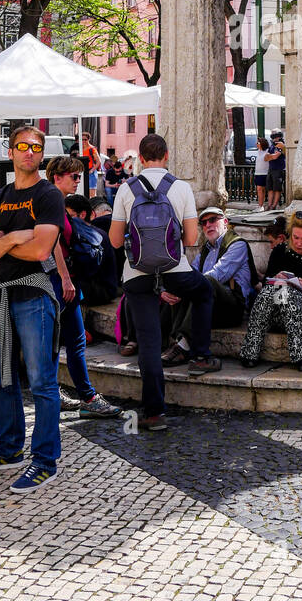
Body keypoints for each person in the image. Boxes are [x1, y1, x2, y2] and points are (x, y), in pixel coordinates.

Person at [0, 124, 65, 493]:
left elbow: (41, 251)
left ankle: (44, 460)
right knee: (0, 379)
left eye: (36, 147)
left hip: (34, 296)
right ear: (10, 151)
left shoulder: (48, 196)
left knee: (42, 382)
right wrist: (13, 237)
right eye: (22, 146)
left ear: (41, 154)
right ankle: (9, 449)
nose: (29, 152)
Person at [109, 134, 219, 431]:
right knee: (204, 292)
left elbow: (116, 240)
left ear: (141, 159)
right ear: (166, 155)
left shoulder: (125, 189)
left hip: (136, 274)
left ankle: (154, 412)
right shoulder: (181, 187)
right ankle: (200, 355)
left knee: (148, 340)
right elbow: (192, 239)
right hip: (176, 268)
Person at [44, 156, 120, 419]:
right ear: (57, 177)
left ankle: (60, 393)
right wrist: (65, 278)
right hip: (59, 280)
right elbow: (53, 243)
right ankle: (87, 397)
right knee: (72, 341)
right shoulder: (52, 202)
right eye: (74, 177)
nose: (78, 181)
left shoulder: (54, 202)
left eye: (79, 176)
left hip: (62, 280)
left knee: (62, 341)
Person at [240, 211, 302, 370]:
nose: (298, 243)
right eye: (295, 237)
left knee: (287, 293)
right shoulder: (280, 251)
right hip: (277, 311)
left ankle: (250, 350)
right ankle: (301, 356)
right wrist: (277, 279)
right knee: (274, 289)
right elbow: (266, 286)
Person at [160, 208, 256, 365]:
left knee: (206, 283)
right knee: (177, 288)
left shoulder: (237, 245)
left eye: (213, 220)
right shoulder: (205, 250)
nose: (208, 225)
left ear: (225, 222)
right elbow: (189, 273)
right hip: (208, 305)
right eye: (204, 223)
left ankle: (183, 346)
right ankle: (160, 340)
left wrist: (188, 286)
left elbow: (217, 274)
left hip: (231, 308)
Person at [265, 130, 286, 211]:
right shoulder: (272, 146)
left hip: (278, 169)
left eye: (275, 136)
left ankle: (274, 205)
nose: (273, 138)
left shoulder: (280, 145)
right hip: (271, 169)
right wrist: (270, 156)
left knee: (277, 189)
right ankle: (269, 205)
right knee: (270, 188)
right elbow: (265, 158)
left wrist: (270, 156)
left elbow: (275, 156)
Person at [253, 137, 271, 210]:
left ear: (262, 144)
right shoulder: (258, 151)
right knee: (259, 190)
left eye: (258, 143)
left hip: (264, 174)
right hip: (257, 174)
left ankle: (262, 206)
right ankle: (261, 206)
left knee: (261, 189)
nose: (256, 144)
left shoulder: (267, 151)